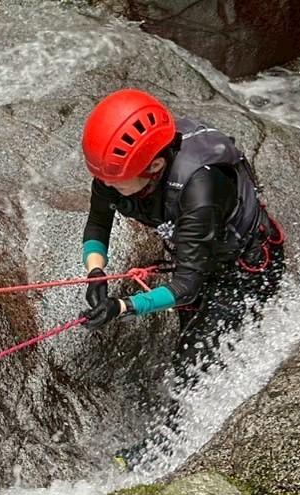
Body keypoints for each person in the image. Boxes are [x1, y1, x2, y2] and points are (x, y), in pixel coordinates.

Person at [79, 89, 285, 460]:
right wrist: (97, 273)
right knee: (194, 339)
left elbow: (187, 287)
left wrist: (123, 306)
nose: (106, 186)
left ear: (154, 167)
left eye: (114, 181)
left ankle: (172, 447)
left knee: (194, 356)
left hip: (247, 270)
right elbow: (98, 223)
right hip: (197, 259)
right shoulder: (118, 173)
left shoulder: (201, 185)